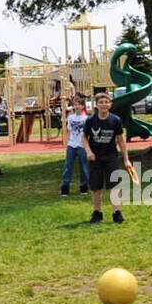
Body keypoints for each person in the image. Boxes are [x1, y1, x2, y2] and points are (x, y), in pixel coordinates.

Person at [82, 91, 137, 223]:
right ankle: (97, 213)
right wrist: (89, 151)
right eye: (101, 102)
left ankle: (116, 213)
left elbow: (121, 140)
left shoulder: (115, 120)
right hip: (95, 158)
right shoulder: (90, 121)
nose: (104, 104)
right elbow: (84, 137)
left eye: (106, 102)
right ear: (96, 105)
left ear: (110, 104)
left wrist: (126, 159)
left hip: (111, 157)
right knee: (96, 187)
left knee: (114, 186)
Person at [60, 95, 90, 196]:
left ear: (83, 107)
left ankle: (84, 187)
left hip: (82, 145)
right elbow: (68, 130)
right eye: (75, 105)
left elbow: (87, 134)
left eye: (79, 105)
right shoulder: (70, 117)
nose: (77, 107)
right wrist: (67, 142)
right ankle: (65, 187)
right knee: (68, 166)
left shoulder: (86, 118)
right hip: (72, 145)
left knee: (84, 166)